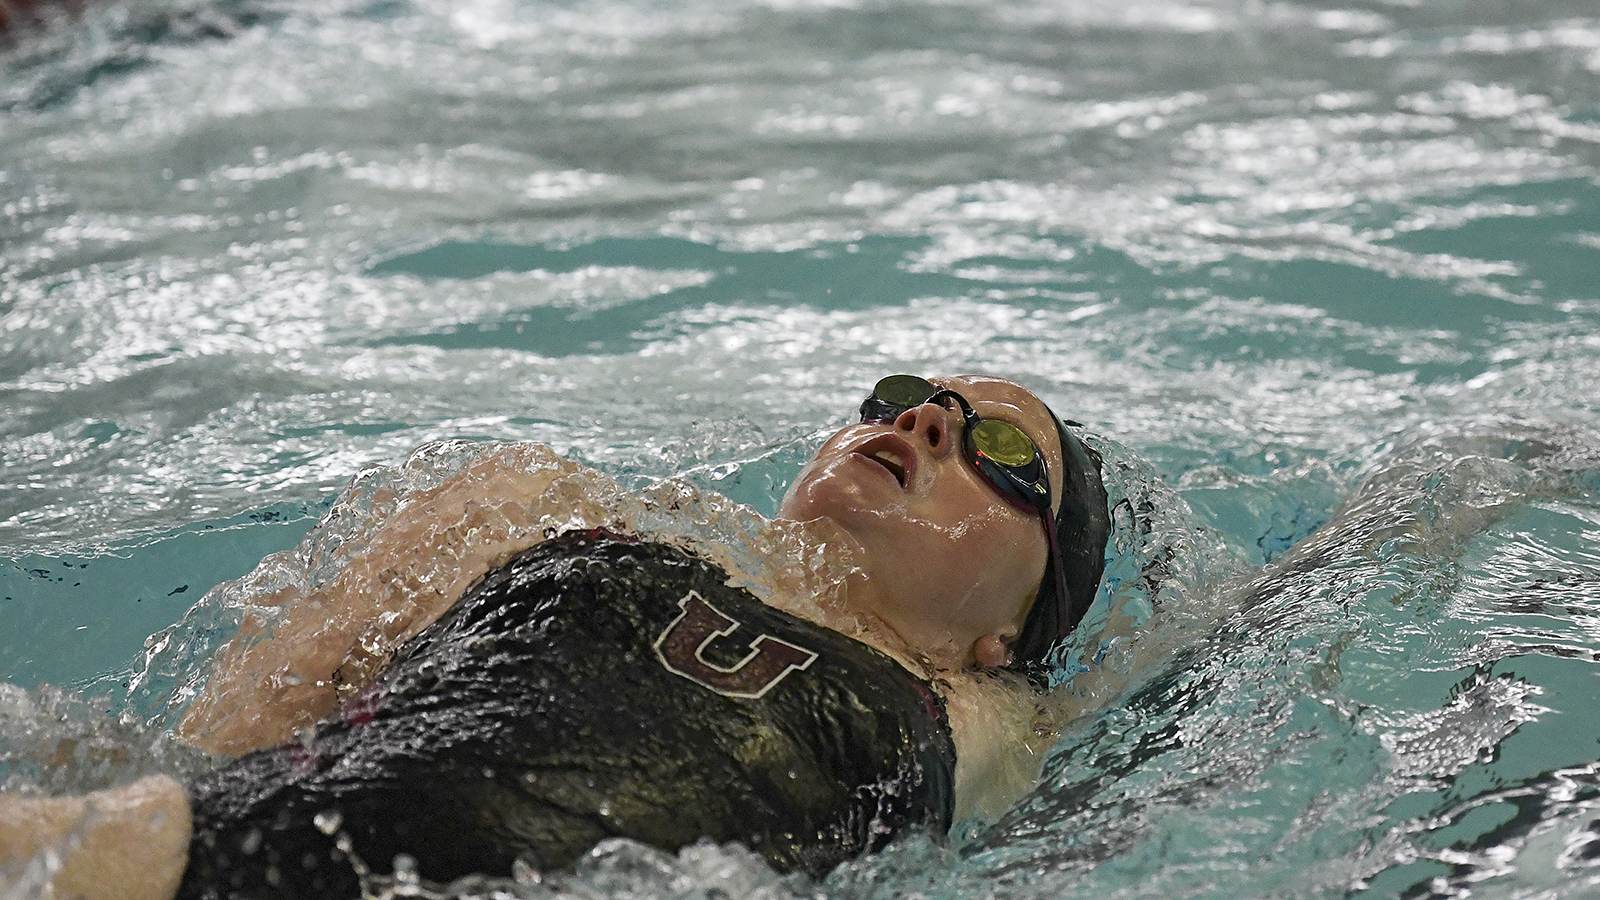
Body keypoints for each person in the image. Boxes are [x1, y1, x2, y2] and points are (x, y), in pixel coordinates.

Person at [0, 374, 1110, 900]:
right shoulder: (540, 504)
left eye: (1000, 450)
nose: (921, 422)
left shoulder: (989, 719)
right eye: (905, 395)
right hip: (224, 850)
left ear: (1009, 632)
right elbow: (233, 740)